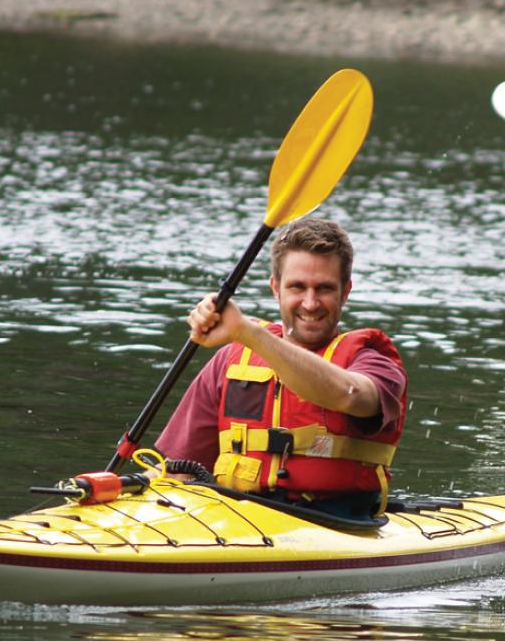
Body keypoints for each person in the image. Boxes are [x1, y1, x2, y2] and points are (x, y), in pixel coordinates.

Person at [153, 218, 407, 519]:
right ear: (276, 288)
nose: (310, 303)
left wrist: (246, 331)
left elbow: (350, 396)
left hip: (338, 523)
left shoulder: (375, 361)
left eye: (324, 288)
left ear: (345, 291)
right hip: (233, 521)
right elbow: (177, 470)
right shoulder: (230, 361)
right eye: (297, 287)